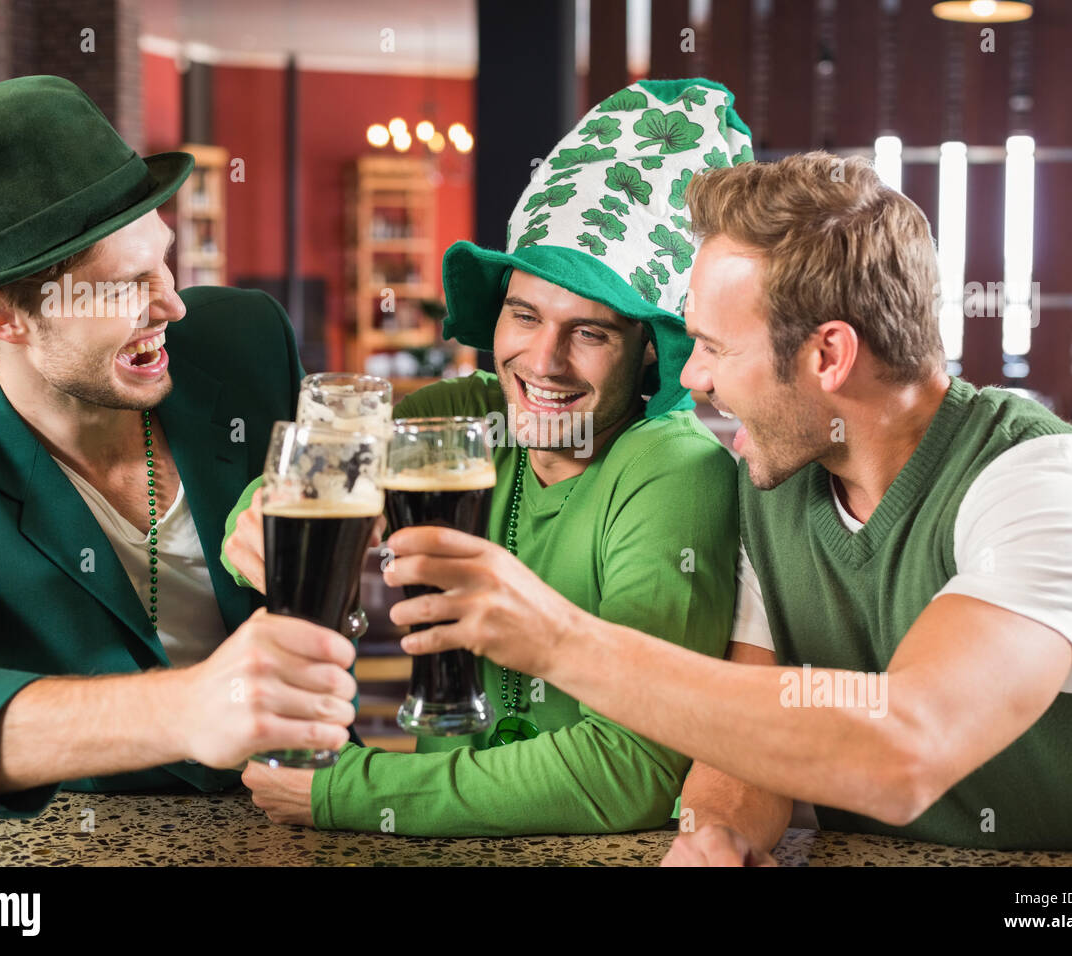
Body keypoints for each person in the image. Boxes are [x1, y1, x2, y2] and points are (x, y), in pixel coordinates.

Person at [381, 151, 1072, 862]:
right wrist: (718, 834)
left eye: (714, 347)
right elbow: (745, 742)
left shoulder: (1049, 487)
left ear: (829, 354)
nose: (690, 378)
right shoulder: (775, 486)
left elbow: (904, 744)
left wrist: (558, 642)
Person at [223, 79, 752, 835]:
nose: (544, 362)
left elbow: (630, 771)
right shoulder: (469, 413)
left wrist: (352, 791)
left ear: (648, 355)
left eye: (591, 332)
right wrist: (256, 524)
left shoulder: (676, 472)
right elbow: (299, 480)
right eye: (524, 313)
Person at [0, 75, 356, 817]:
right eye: (123, 287)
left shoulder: (246, 339)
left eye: (164, 261)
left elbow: (355, 497)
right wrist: (187, 708)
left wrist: (360, 516)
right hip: (90, 839)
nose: (170, 303)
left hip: (324, 803)